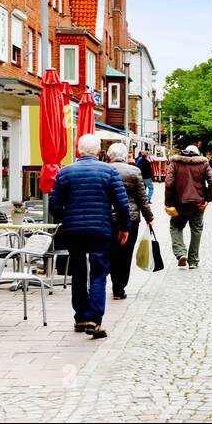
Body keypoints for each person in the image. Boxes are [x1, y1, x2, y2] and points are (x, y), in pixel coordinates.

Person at [49, 134, 131, 339]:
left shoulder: (64, 172)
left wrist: (66, 219)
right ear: (98, 152)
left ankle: (81, 317)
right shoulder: (109, 171)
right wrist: (124, 227)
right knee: (98, 272)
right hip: (101, 229)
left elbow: (54, 205)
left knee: (78, 272)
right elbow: (122, 204)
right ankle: (95, 320)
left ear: (79, 150)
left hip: (74, 231)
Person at [106, 142, 153, 300]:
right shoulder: (134, 171)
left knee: (112, 251)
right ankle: (120, 288)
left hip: (109, 217)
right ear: (126, 156)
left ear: (109, 155)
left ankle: (114, 283)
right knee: (125, 253)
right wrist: (149, 217)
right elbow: (142, 197)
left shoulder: (104, 169)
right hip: (131, 218)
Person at [165, 144, 212, 269]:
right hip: (198, 203)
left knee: (175, 227)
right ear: (197, 154)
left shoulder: (175, 163)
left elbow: (169, 183)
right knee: (196, 230)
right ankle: (193, 261)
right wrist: (207, 200)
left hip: (179, 203)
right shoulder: (203, 163)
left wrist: (168, 202)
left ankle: (181, 253)